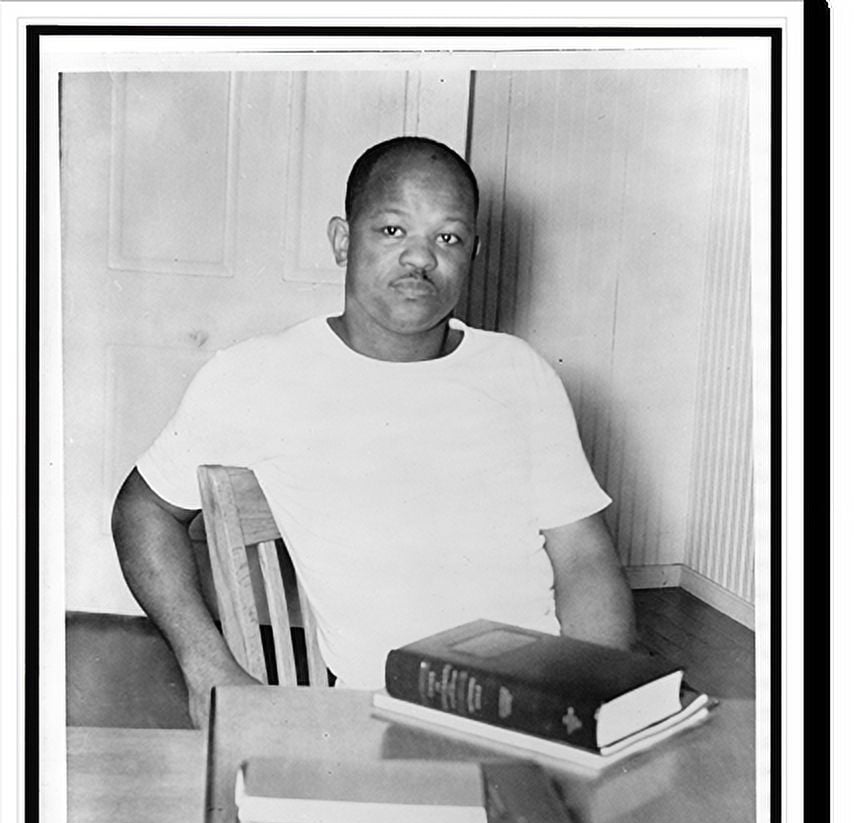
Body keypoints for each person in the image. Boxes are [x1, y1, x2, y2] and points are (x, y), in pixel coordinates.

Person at [112, 136, 637, 728]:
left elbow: (585, 559)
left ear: (472, 253)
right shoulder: (258, 375)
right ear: (342, 240)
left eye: (448, 237)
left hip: (548, 693)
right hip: (395, 715)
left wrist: (596, 697)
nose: (420, 258)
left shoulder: (518, 371)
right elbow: (142, 511)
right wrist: (207, 667)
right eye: (392, 231)